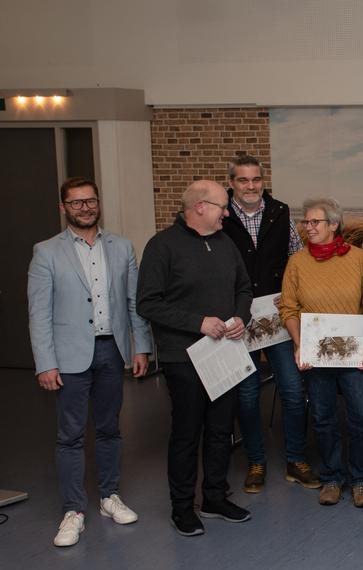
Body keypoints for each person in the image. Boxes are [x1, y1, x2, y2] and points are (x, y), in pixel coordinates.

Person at [29, 177, 153, 547]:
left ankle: (109, 497)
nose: (85, 207)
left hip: (111, 351)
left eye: (90, 201)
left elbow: (133, 304)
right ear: (63, 208)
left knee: (110, 429)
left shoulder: (122, 247)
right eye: (76, 202)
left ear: (99, 203)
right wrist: (44, 363)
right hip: (68, 356)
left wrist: (140, 347)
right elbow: (39, 314)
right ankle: (73, 511)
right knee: (69, 436)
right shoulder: (47, 252)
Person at [137, 179, 253, 536]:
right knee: (187, 433)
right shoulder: (162, 246)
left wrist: (239, 318)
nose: (227, 212)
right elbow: (148, 303)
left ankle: (215, 497)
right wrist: (198, 323)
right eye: (222, 206)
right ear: (200, 207)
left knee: (221, 430)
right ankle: (182, 507)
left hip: (226, 354)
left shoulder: (225, 243)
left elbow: (244, 288)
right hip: (183, 357)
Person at [222, 155, 318, 493]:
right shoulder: (221, 215)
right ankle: (256, 462)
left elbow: (296, 258)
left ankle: (295, 459)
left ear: (263, 181)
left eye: (256, 180)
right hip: (236, 320)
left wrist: (291, 291)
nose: (251, 186)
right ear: (231, 182)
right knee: (247, 396)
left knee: (293, 390)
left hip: (277, 317)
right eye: (243, 180)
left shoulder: (280, 213)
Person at [279, 198, 363, 508]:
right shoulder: (297, 262)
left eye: (315, 222)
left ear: (334, 224)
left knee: (362, 418)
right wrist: (298, 343)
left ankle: (361, 480)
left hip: (353, 356)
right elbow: (289, 307)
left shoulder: (359, 258)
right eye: (306, 222)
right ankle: (332, 477)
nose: (308, 227)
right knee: (323, 419)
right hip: (315, 356)